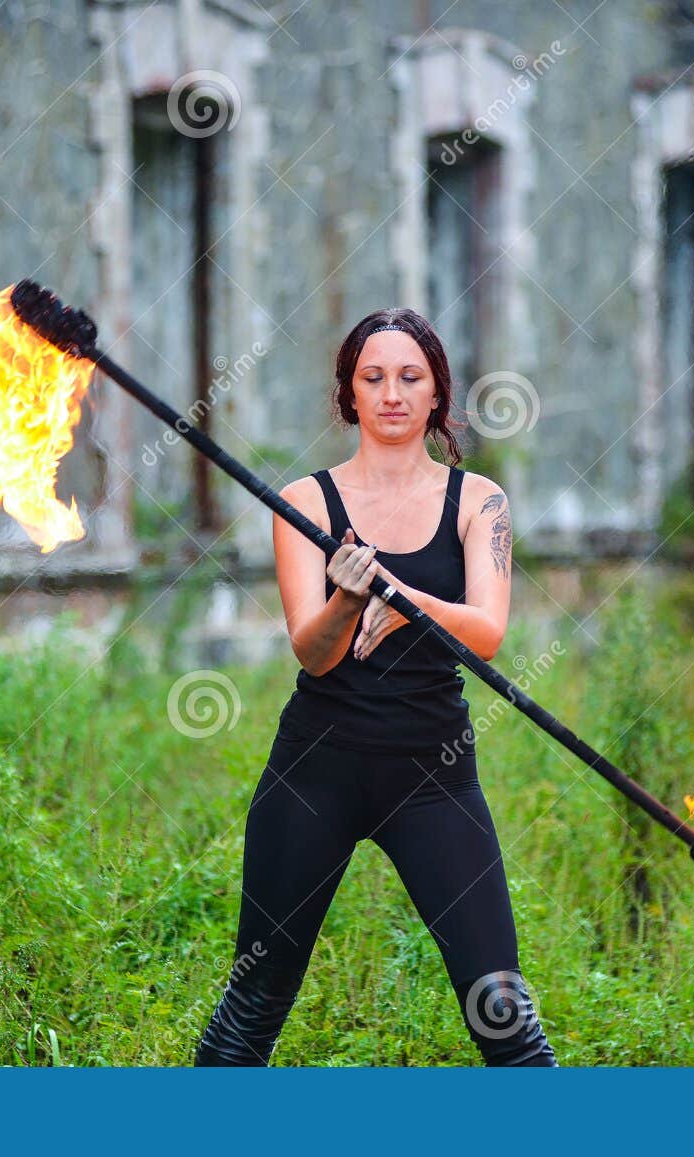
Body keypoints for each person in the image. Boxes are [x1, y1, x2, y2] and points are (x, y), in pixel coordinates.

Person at [193, 307, 557, 1066]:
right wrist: (350, 601)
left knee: (505, 1015)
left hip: (435, 778)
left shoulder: (479, 501)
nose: (391, 392)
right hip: (315, 771)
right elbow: (313, 652)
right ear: (348, 395)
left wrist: (401, 595)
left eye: (410, 377)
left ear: (436, 395)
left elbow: (488, 631)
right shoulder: (305, 504)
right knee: (251, 1012)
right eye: (373, 377)